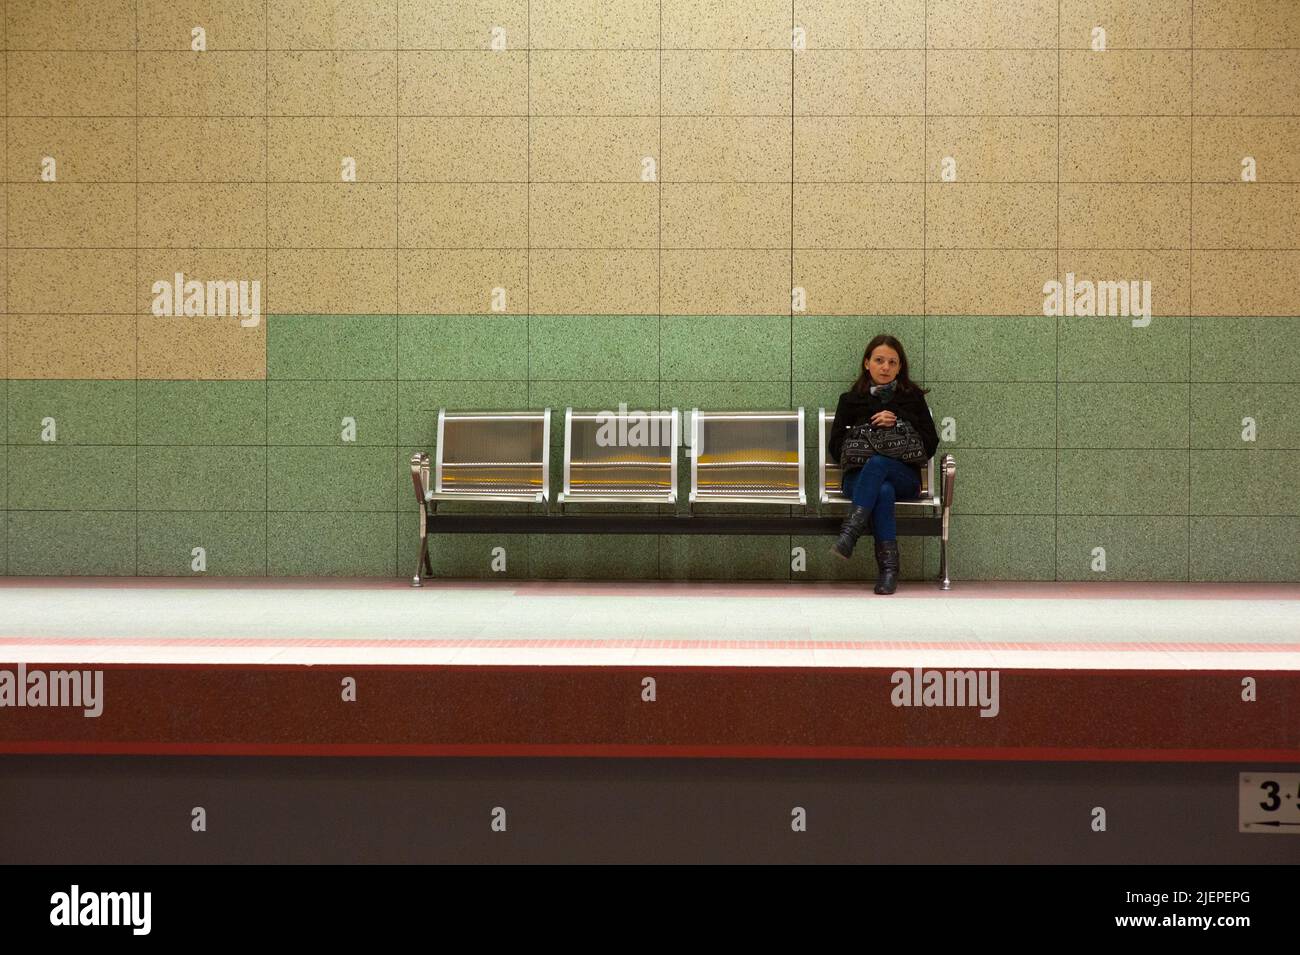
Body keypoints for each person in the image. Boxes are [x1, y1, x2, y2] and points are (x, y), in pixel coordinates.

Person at [827, 335, 939, 595]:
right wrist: (869, 424)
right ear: (867, 363)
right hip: (857, 478)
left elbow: (930, 444)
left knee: (881, 467)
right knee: (883, 490)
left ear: (900, 367)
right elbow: (835, 448)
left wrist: (898, 420)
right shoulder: (850, 401)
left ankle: (850, 534)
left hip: (905, 479)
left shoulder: (912, 400)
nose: (885, 367)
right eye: (879, 360)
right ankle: (889, 571)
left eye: (892, 362)